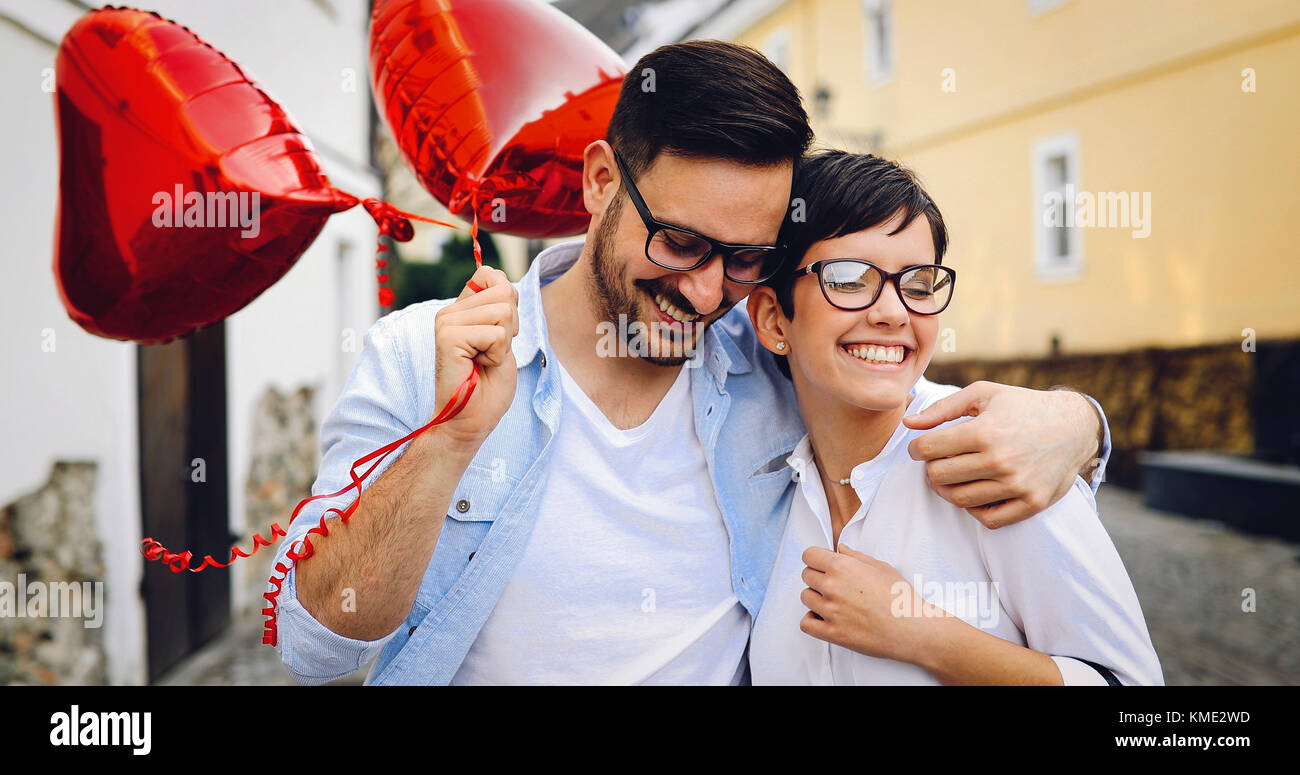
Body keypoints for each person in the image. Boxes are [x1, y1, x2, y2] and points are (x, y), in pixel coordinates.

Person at [272, 41, 1112, 685]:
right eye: (680, 241)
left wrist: (1079, 423)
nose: (708, 291)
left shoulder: (768, 353)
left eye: (746, 258)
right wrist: (445, 443)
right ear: (602, 180)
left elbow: (887, 371)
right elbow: (313, 646)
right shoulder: (424, 354)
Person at [746, 151, 1162, 685]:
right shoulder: (766, 496)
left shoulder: (997, 458)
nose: (894, 312)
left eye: (918, 284)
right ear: (771, 318)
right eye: (849, 279)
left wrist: (920, 634)